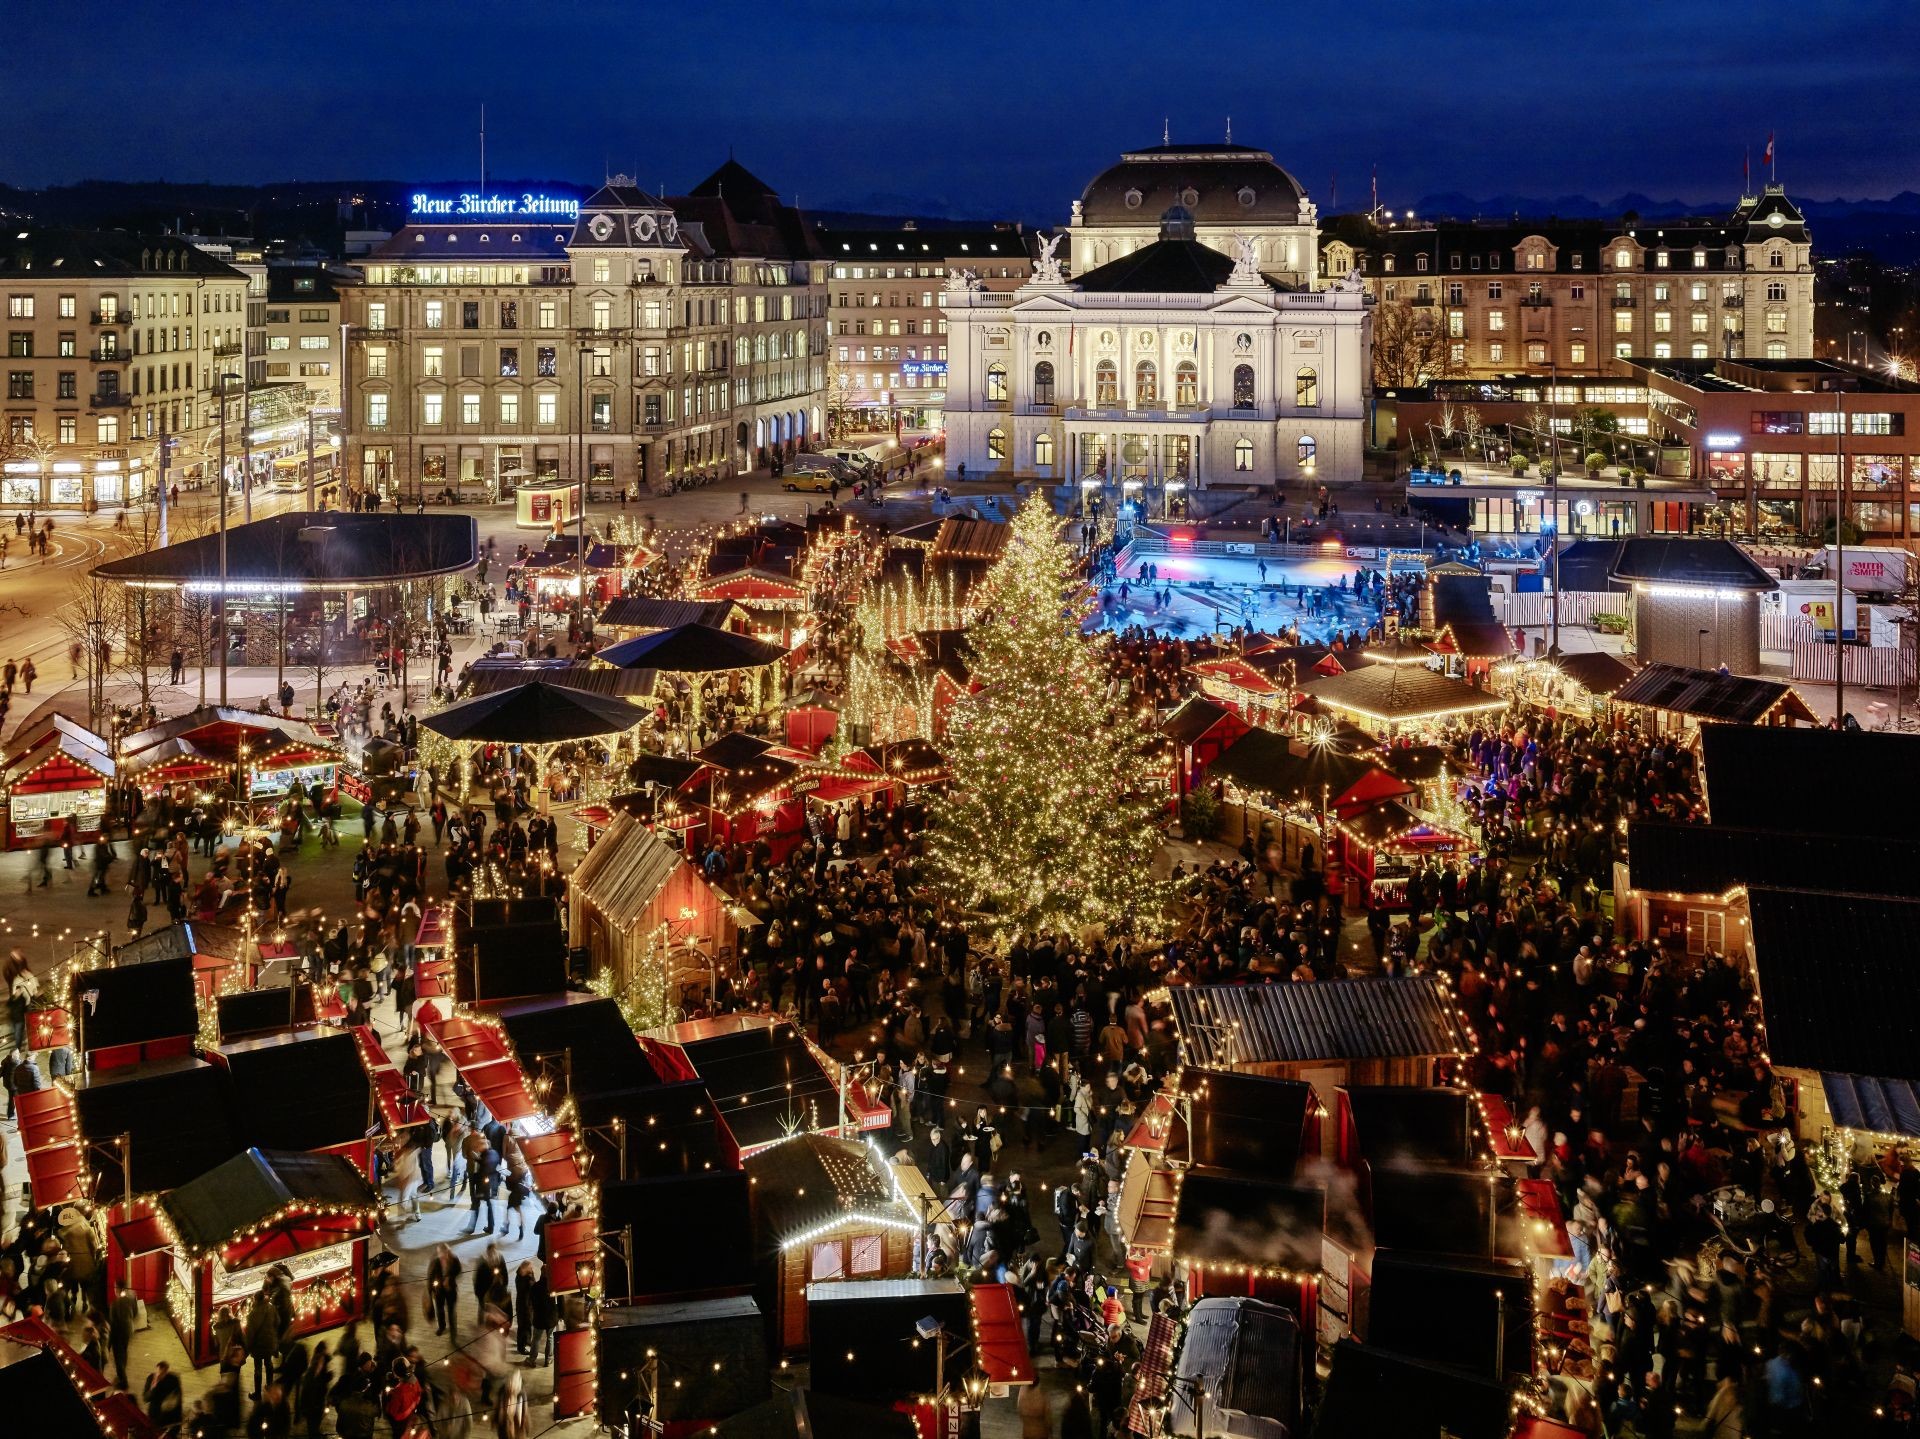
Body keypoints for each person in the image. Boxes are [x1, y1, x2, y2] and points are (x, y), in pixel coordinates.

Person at [108, 1281, 138, 1389]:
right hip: (128, 1330)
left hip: (118, 1332)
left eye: (115, 1287)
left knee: (118, 1357)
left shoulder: (115, 1304)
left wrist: (109, 1342)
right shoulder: (131, 1298)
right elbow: (135, 1312)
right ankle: (122, 1374)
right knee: (124, 1351)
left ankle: (123, 1381)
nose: (114, 1290)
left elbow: (113, 1323)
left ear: (119, 1289)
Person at [143, 1360, 184, 1430]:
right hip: (155, 1415)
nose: (159, 1376)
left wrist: (178, 1418)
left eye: (162, 1373)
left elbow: (178, 1397)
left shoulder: (173, 1379)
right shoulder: (151, 1378)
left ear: (166, 1371)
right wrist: (153, 1387)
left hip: (169, 1417)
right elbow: (146, 1398)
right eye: (158, 1373)